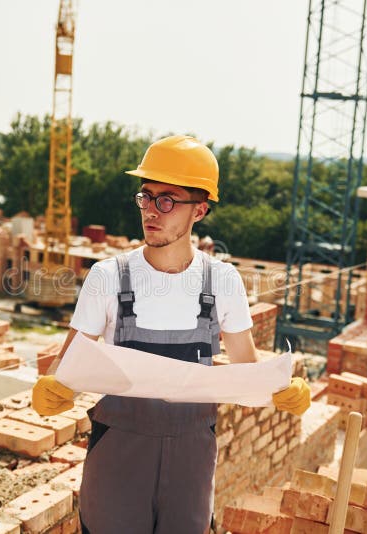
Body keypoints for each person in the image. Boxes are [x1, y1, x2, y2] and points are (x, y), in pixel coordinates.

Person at [32, 135, 311, 534]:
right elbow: (69, 364)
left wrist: (280, 388)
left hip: (191, 459)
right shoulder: (108, 277)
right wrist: (54, 390)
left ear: (199, 209)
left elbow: (245, 369)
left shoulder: (223, 281)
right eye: (146, 197)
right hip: (119, 454)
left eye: (167, 200)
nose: (152, 211)